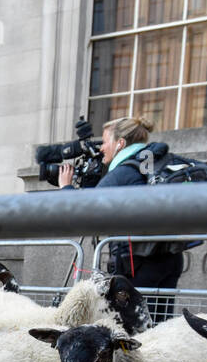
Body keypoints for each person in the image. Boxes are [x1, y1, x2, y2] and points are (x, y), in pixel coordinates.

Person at [59, 116, 184, 319]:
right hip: (168, 256)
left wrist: (66, 188)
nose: (101, 148)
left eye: (106, 142)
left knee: (137, 327)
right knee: (159, 324)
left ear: (120, 143)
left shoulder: (124, 172)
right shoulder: (152, 164)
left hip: (138, 263)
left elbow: (84, 212)